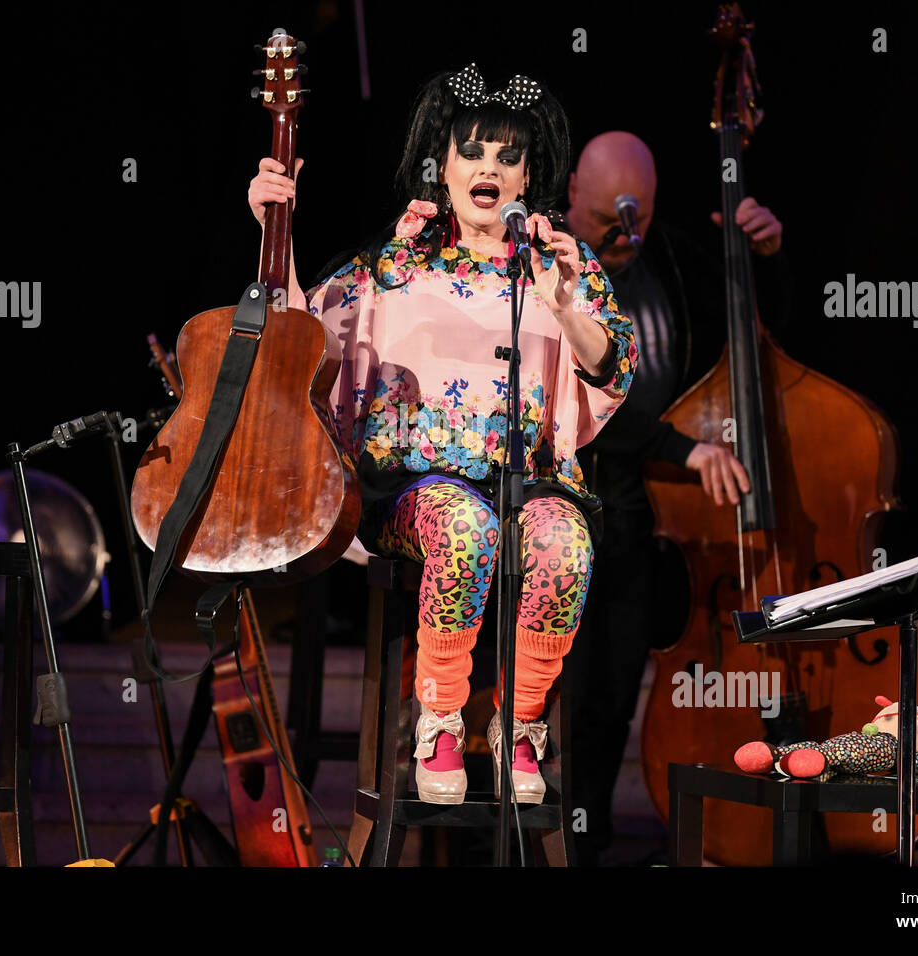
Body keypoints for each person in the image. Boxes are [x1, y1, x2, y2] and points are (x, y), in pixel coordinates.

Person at [248, 65, 637, 806]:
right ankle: (442, 721)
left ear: (527, 174)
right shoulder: (399, 261)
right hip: (415, 490)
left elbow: (611, 366)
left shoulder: (560, 262)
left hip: (530, 484)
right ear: (446, 164)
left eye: (507, 155)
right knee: (465, 527)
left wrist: (563, 306)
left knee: (565, 542)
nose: (488, 166)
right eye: (473, 151)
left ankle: (520, 726)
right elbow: (299, 344)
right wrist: (276, 229)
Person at [562, 130, 789, 864]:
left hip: (654, 520)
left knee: (613, 703)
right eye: (605, 221)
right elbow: (579, 401)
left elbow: (753, 342)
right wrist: (682, 448)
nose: (623, 237)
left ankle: (591, 842)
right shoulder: (548, 272)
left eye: (637, 219)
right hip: (565, 511)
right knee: (564, 702)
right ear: (570, 198)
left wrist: (760, 259)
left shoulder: (668, 259)